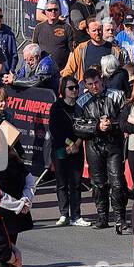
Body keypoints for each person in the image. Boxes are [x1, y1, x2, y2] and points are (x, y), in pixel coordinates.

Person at [73, 66, 127, 231]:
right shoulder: (81, 101)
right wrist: (97, 126)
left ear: (102, 80)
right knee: (98, 183)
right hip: (93, 145)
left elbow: (125, 118)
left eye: (96, 82)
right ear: (86, 85)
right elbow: (76, 126)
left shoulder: (117, 95)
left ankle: (120, 217)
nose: (94, 86)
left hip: (114, 144)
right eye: (90, 84)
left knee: (117, 182)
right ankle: (102, 216)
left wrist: (112, 125)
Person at [50, 77, 87, 226]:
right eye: (70, 88)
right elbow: (54, 129)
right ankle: (64, 214)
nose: (74, 90)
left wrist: (77, 143)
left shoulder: (81, 105)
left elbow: (85, 127)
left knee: (76, 183)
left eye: (76, 88)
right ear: (63, 90)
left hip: (77, 147)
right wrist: (69, 143)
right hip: (61, 147)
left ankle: (76, 216)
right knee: (62, 182)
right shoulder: (57, 107)